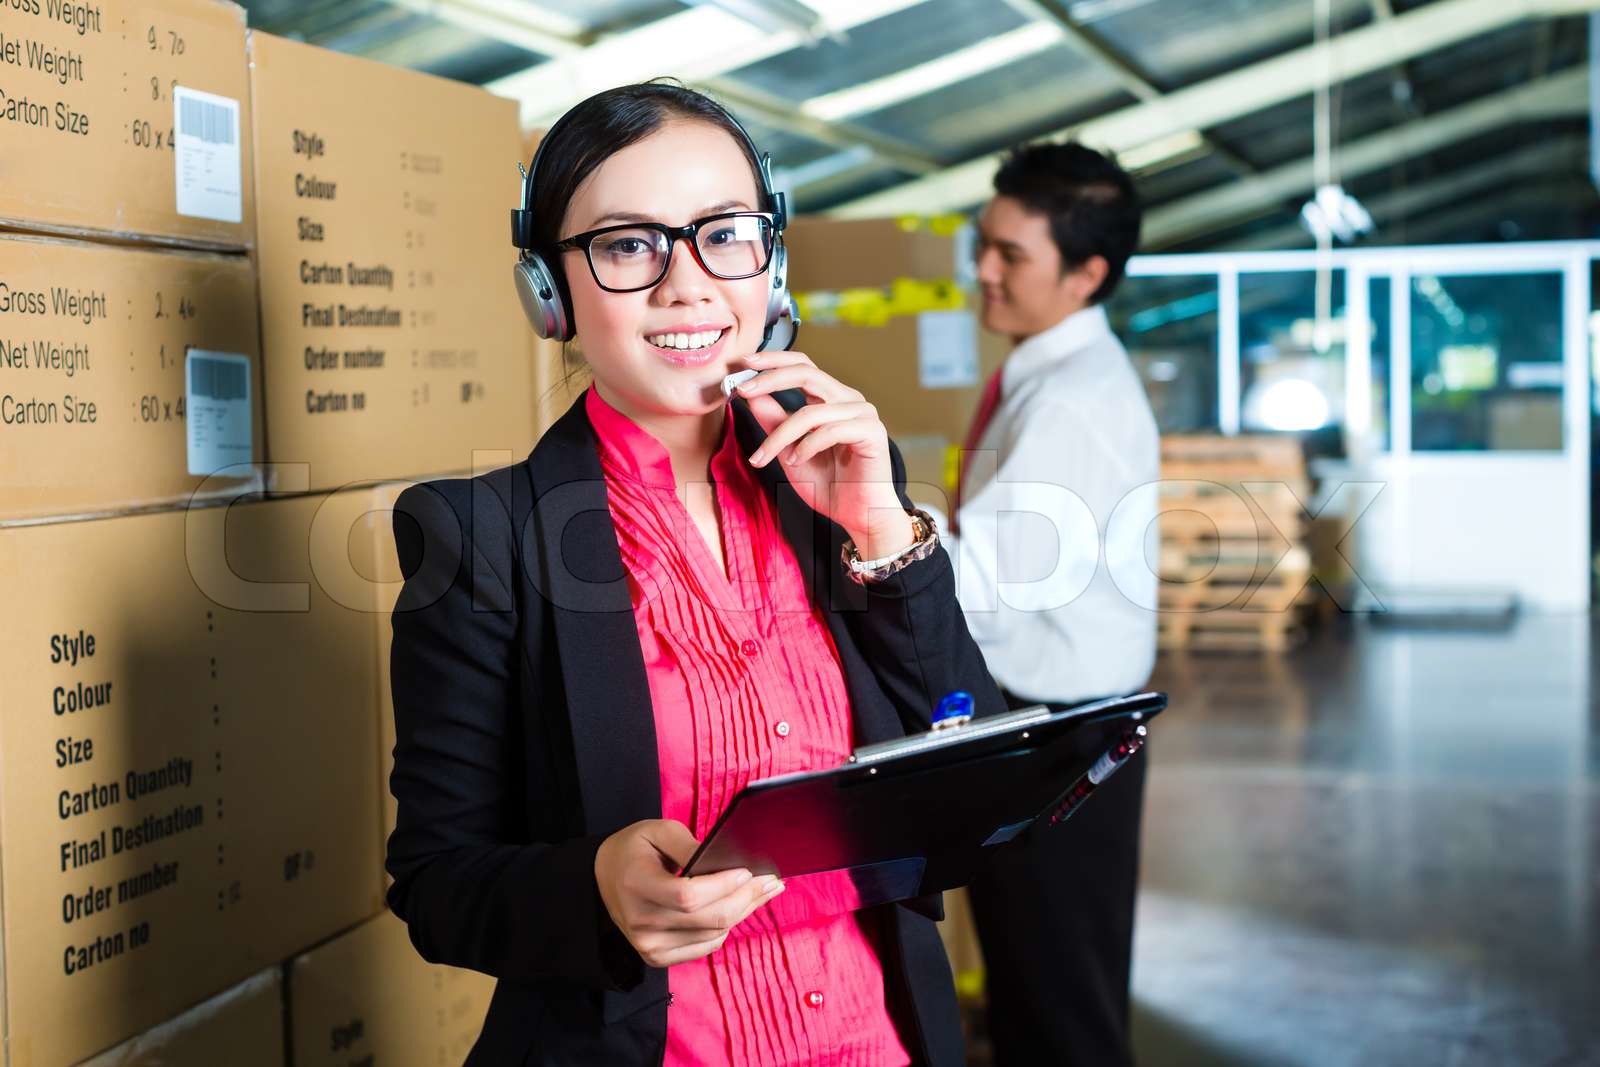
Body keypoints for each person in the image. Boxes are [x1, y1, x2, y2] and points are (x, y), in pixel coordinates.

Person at [382, 81, 1004, 1067]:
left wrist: (883, 528)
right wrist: (592, 885)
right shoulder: (481, 534)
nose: (689, 286)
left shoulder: (831, 491)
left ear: (773, 261)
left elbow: (972, 759)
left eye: (725, 233)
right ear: (549, 289)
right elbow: (435, 881)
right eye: (629, 245)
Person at [930, 142, 1159, 1066]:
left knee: (1059, 1008)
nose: (984, 270)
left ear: (1086, 274)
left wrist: (866, 524)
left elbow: (981, 581)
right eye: (983, 244)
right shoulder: (1046, 373)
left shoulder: (1069, 400)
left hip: (1062, 734)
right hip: (1062, 721)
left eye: (1011, 256)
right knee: (1043, 985)